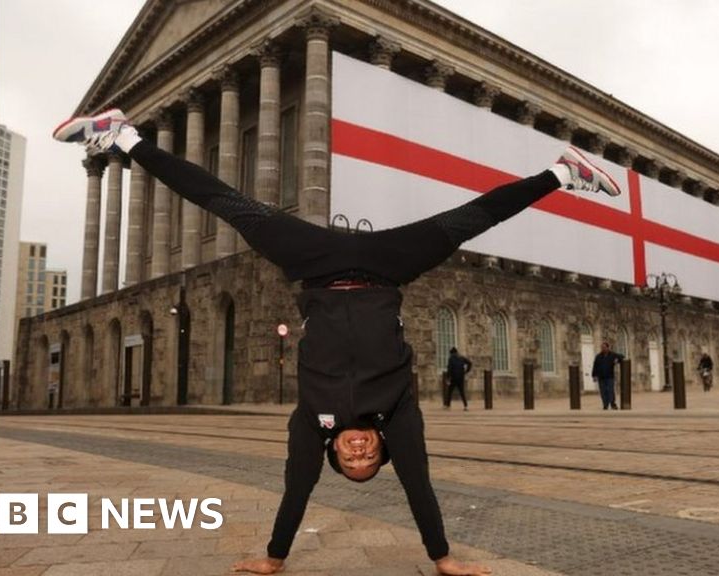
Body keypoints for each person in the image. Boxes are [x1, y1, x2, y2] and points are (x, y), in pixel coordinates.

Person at [53, 108, 622, 576]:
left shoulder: (311, 421)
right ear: (379, 447)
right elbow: (419, 485)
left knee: (225, 203)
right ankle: (563, 174)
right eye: (368, 459)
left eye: (349, 461)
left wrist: (275, 558)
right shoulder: (397, 415)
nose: (358, 454)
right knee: (473, 218)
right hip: (385, 268)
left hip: (317, 267)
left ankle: (123, 137)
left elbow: (297, 488)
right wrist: (442, 559)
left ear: (331, 450)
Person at [592, 342, 624, 409]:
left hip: (610, 376)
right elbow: (595, 366)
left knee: (610, 391)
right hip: (601, 377)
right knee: (603, 392)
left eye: (604, 347)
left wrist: (617, 360)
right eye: (602, 347)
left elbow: (622, 357)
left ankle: (613, 404)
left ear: (608, 347)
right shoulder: (598, 356)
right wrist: (594, 375)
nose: (603, 349)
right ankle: (605, 404)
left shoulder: (613, 355)